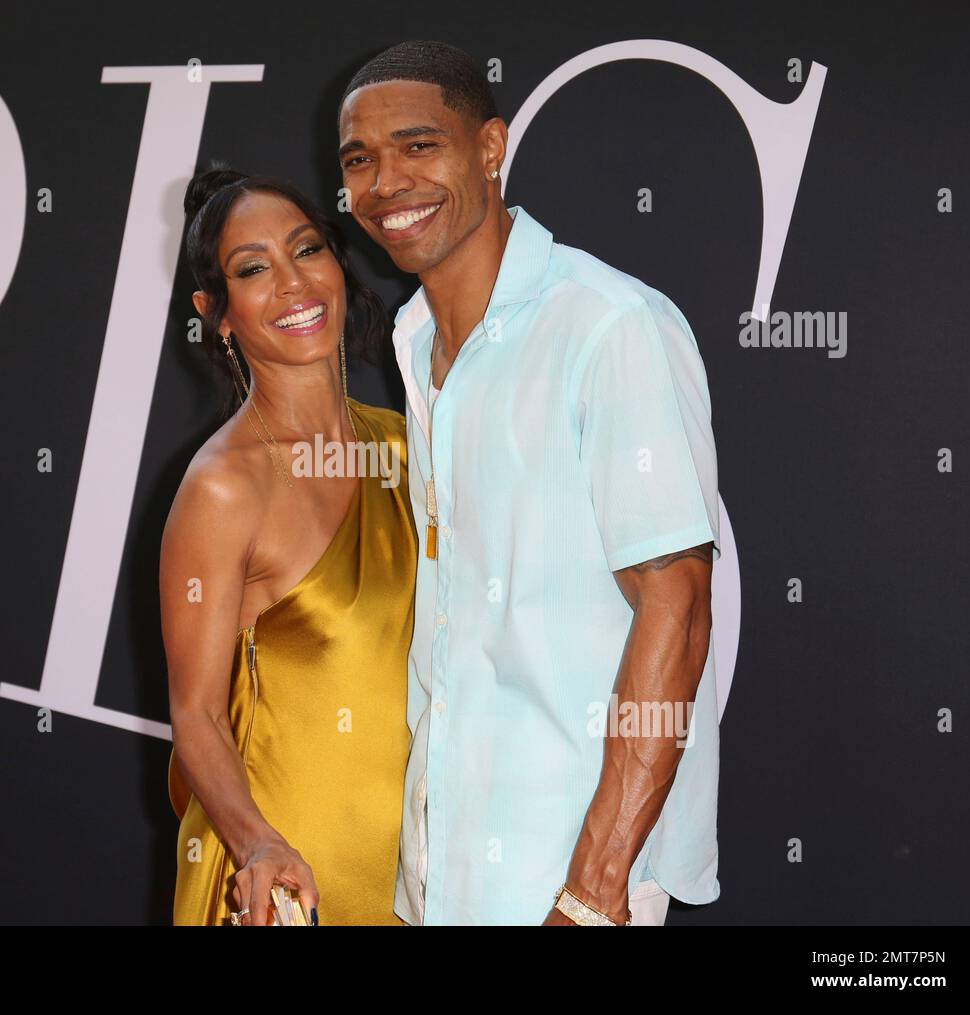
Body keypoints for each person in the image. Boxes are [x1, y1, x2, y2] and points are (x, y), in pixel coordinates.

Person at [337, 40, 723, 926]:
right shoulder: (409, 338)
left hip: (571, 875)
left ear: (490, 147)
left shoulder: (606, 324)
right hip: (443, 869)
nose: (386, 181)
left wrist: (593, 889)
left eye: (418, 145)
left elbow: (680, 604)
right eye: (360, 160)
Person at [160, 167, 416, 926]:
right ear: (219, 314)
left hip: (419, 868)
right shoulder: (223, 488)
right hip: (286, 881)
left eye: (306, 250)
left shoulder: (404, 447)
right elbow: (197, 713)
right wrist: (260, 845)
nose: (293, 285)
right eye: (252, 269)